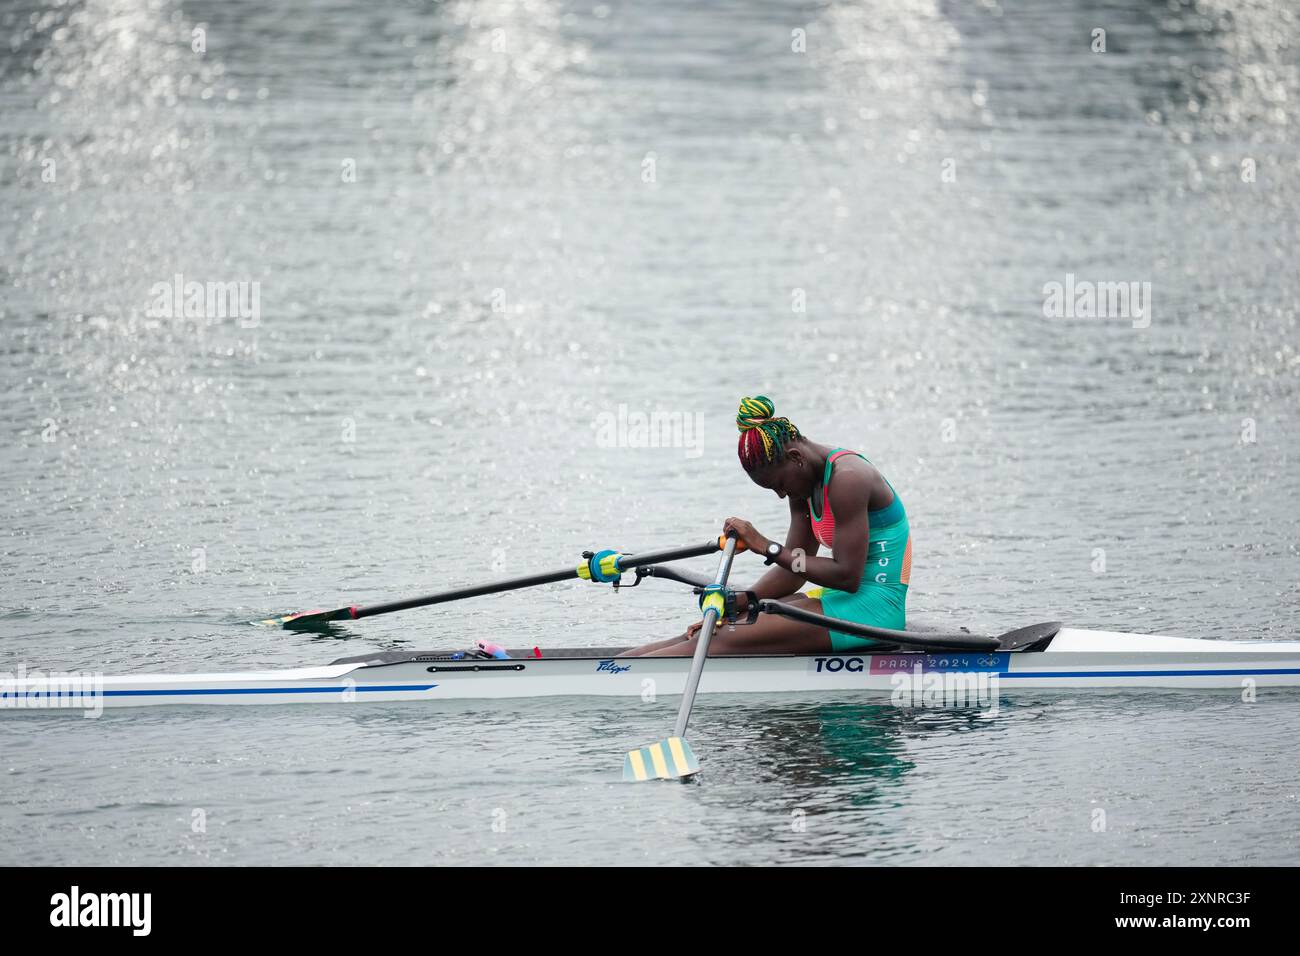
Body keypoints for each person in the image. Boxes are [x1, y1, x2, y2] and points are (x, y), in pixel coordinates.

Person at [622, 396, 910, 656]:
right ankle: (618, 667)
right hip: (840, 600)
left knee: (718, 640)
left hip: (876, 610)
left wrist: (766, 546)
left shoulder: (848, 480)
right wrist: (743, 601)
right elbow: (794, 571)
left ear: (795, 458)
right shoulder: (804, 481)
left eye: (779, 485)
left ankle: (621, 684)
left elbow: (846, 576)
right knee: (714, 629)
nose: (781, 495)